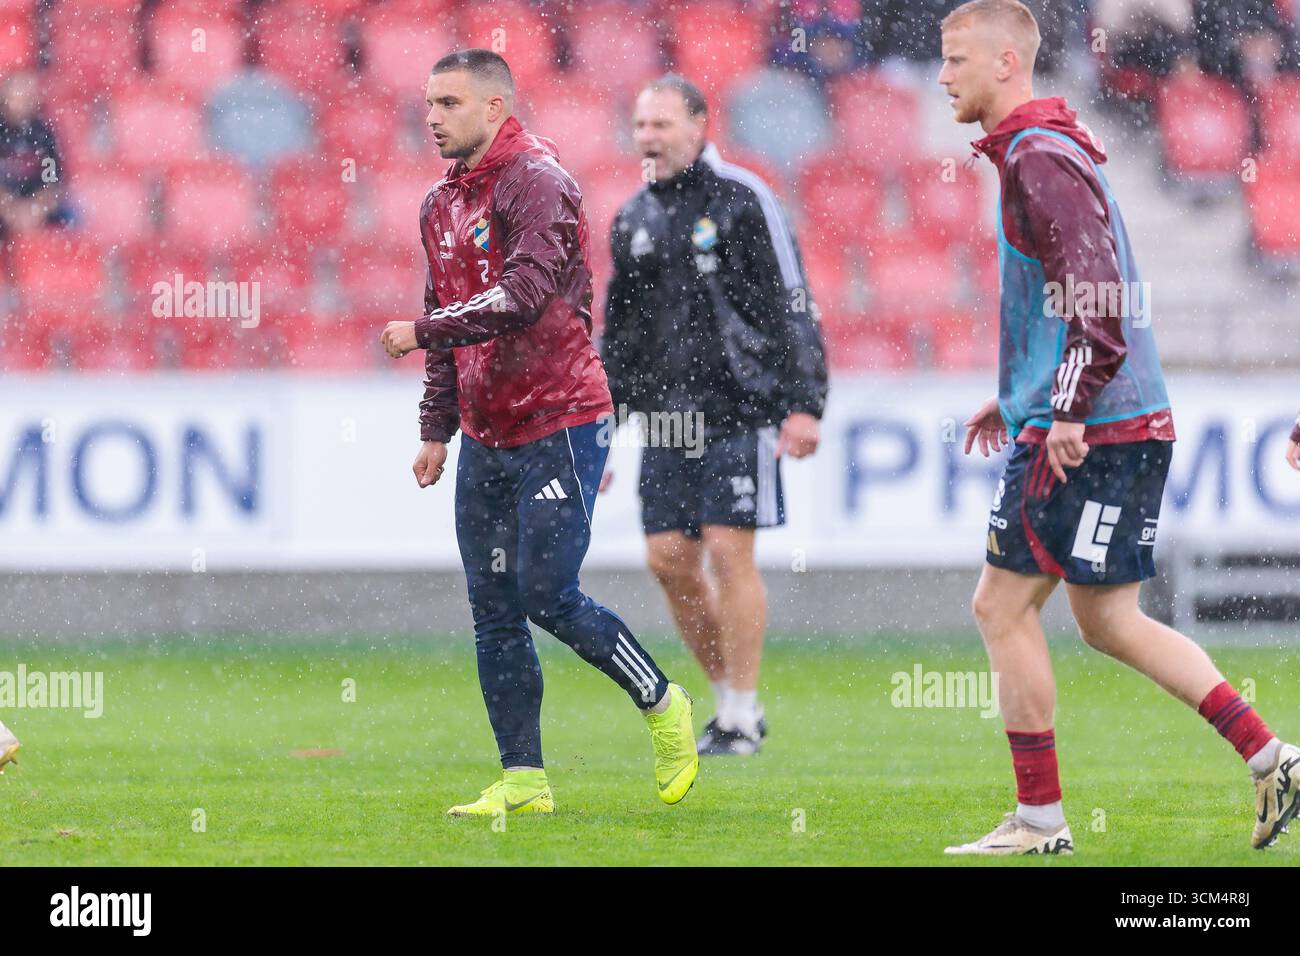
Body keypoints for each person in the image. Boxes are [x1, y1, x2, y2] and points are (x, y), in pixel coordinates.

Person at [937, 0, 1297, 854]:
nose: (942, 76)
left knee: (1000, 607)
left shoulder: (1036, 156)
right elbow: (1079, 295)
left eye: (955, 60)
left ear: (1004, 64)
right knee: (1108, 621)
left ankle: (1039, 820)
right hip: (1127, 416)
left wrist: (1059, 408)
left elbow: (1095, 300)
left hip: (1092, 426)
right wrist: (1023, 389)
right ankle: (1271, 756)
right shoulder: (1048, 147)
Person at [379, 50, 698, 816]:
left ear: (494, 109)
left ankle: (662, 702)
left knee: (546, 593)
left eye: (450, 102)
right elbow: (452, 313)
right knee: (492, 605)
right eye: (429, 101)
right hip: (487, 433)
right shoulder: (439, 204)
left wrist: (421, 331)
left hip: (561, 420)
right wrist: (436, 428)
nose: (433, 116)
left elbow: (522, 295)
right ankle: (524, 779)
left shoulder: (539, 182)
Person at [601, 74, 827, 756]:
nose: (649, 138)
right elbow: (621, 335)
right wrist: (601, 428)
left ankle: (739, 711)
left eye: (662, 125)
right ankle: (732, 699)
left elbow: (793, 298)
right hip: (667, 417)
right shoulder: (632, 217)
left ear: (701, 125)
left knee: (730, 550)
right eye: (641, 126)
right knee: (668, 559)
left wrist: (805, 402)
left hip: (737, 408)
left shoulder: (744, 199)